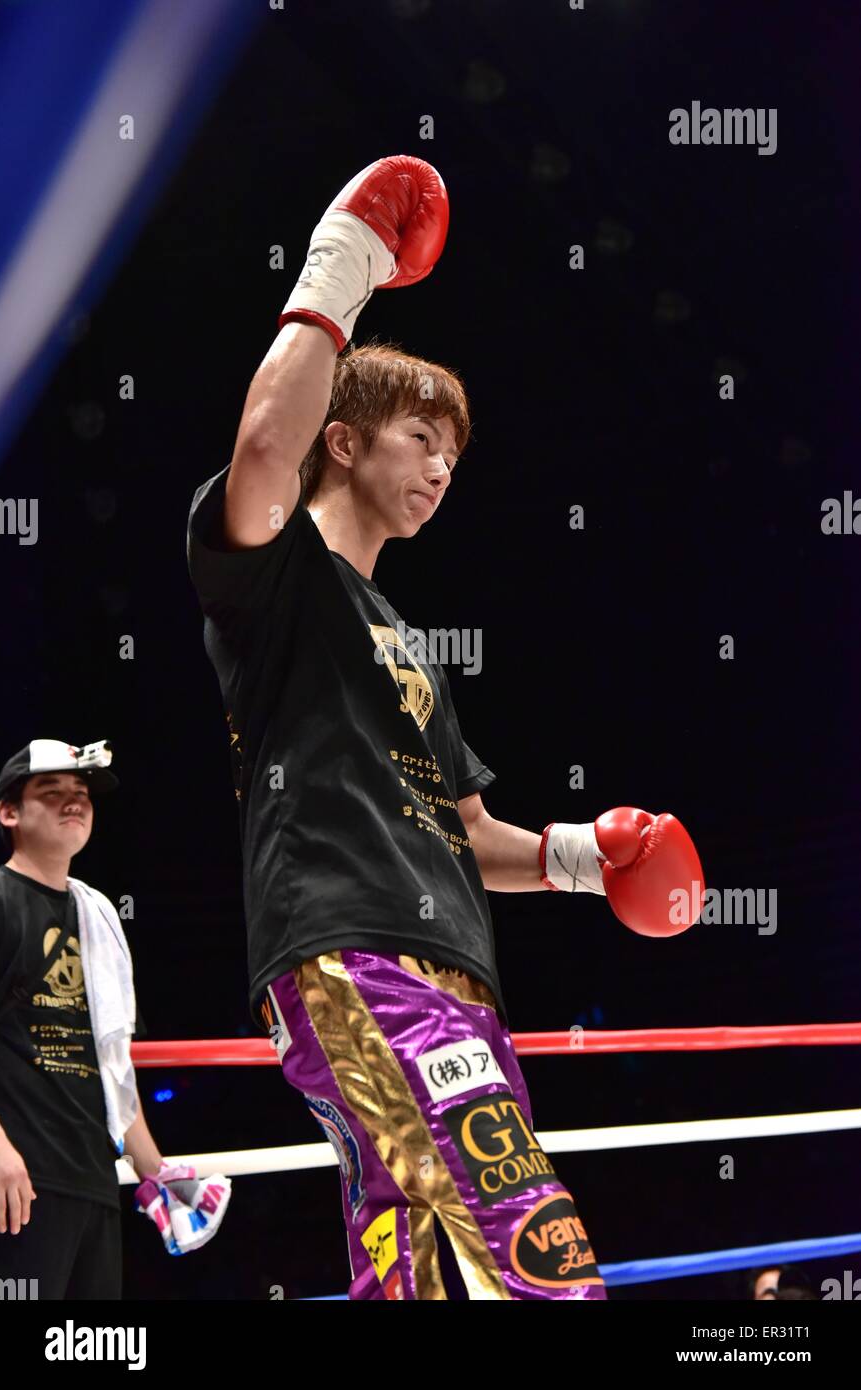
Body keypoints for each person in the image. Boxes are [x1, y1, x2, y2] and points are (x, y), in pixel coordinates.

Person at [187, 154, 703, 1300]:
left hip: (456, 972)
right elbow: (263, 451)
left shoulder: (409, 648)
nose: (439, 468)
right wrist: (345, 262)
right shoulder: (279, 582)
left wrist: (581, 856)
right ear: (344, 440)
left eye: (453, 456)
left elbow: (463, 829)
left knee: (413, 1267)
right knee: (538, 1253)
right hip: (354, 947)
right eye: (421, 439)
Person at [0, 739, 228, 1299]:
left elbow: (113, 1070)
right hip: (16, 1184)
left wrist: (158, 1174)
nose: (73, 803)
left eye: (81, 795)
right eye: (51, 794)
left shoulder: (99, 918)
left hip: (94, 1183)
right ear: (9, 812)